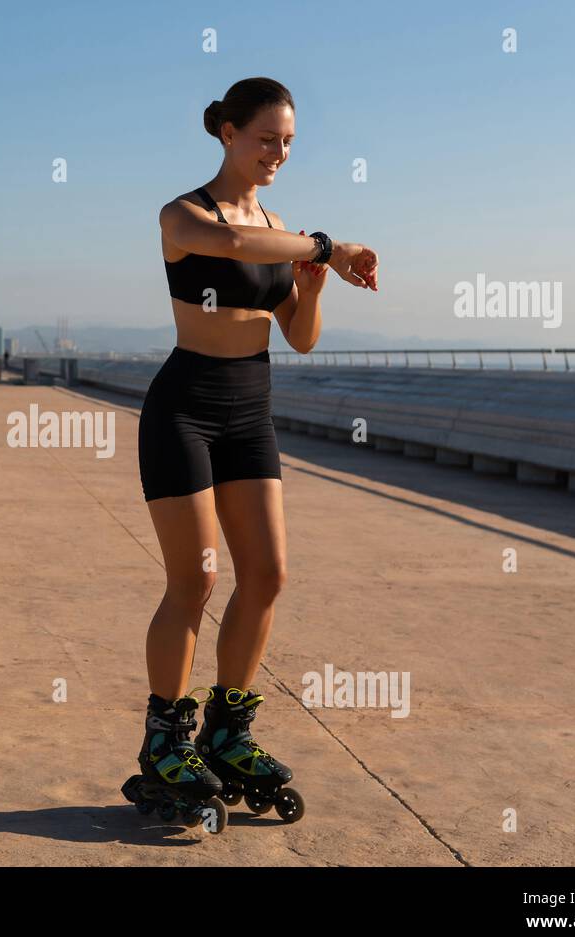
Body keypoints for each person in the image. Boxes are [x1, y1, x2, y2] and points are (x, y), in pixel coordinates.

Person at [133, 77, 379, 822]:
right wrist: (329, 246)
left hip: (250, 413)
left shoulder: (281, 229)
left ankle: (228, 732)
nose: (279, 152)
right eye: (267, 138)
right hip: (184, 411)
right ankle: (164, 742)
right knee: (195, 581)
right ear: (228, 133)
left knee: (268, 575)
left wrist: (314, 283)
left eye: (289, 142)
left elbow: (299, 337)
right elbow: (234, 245)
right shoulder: (184, 215)